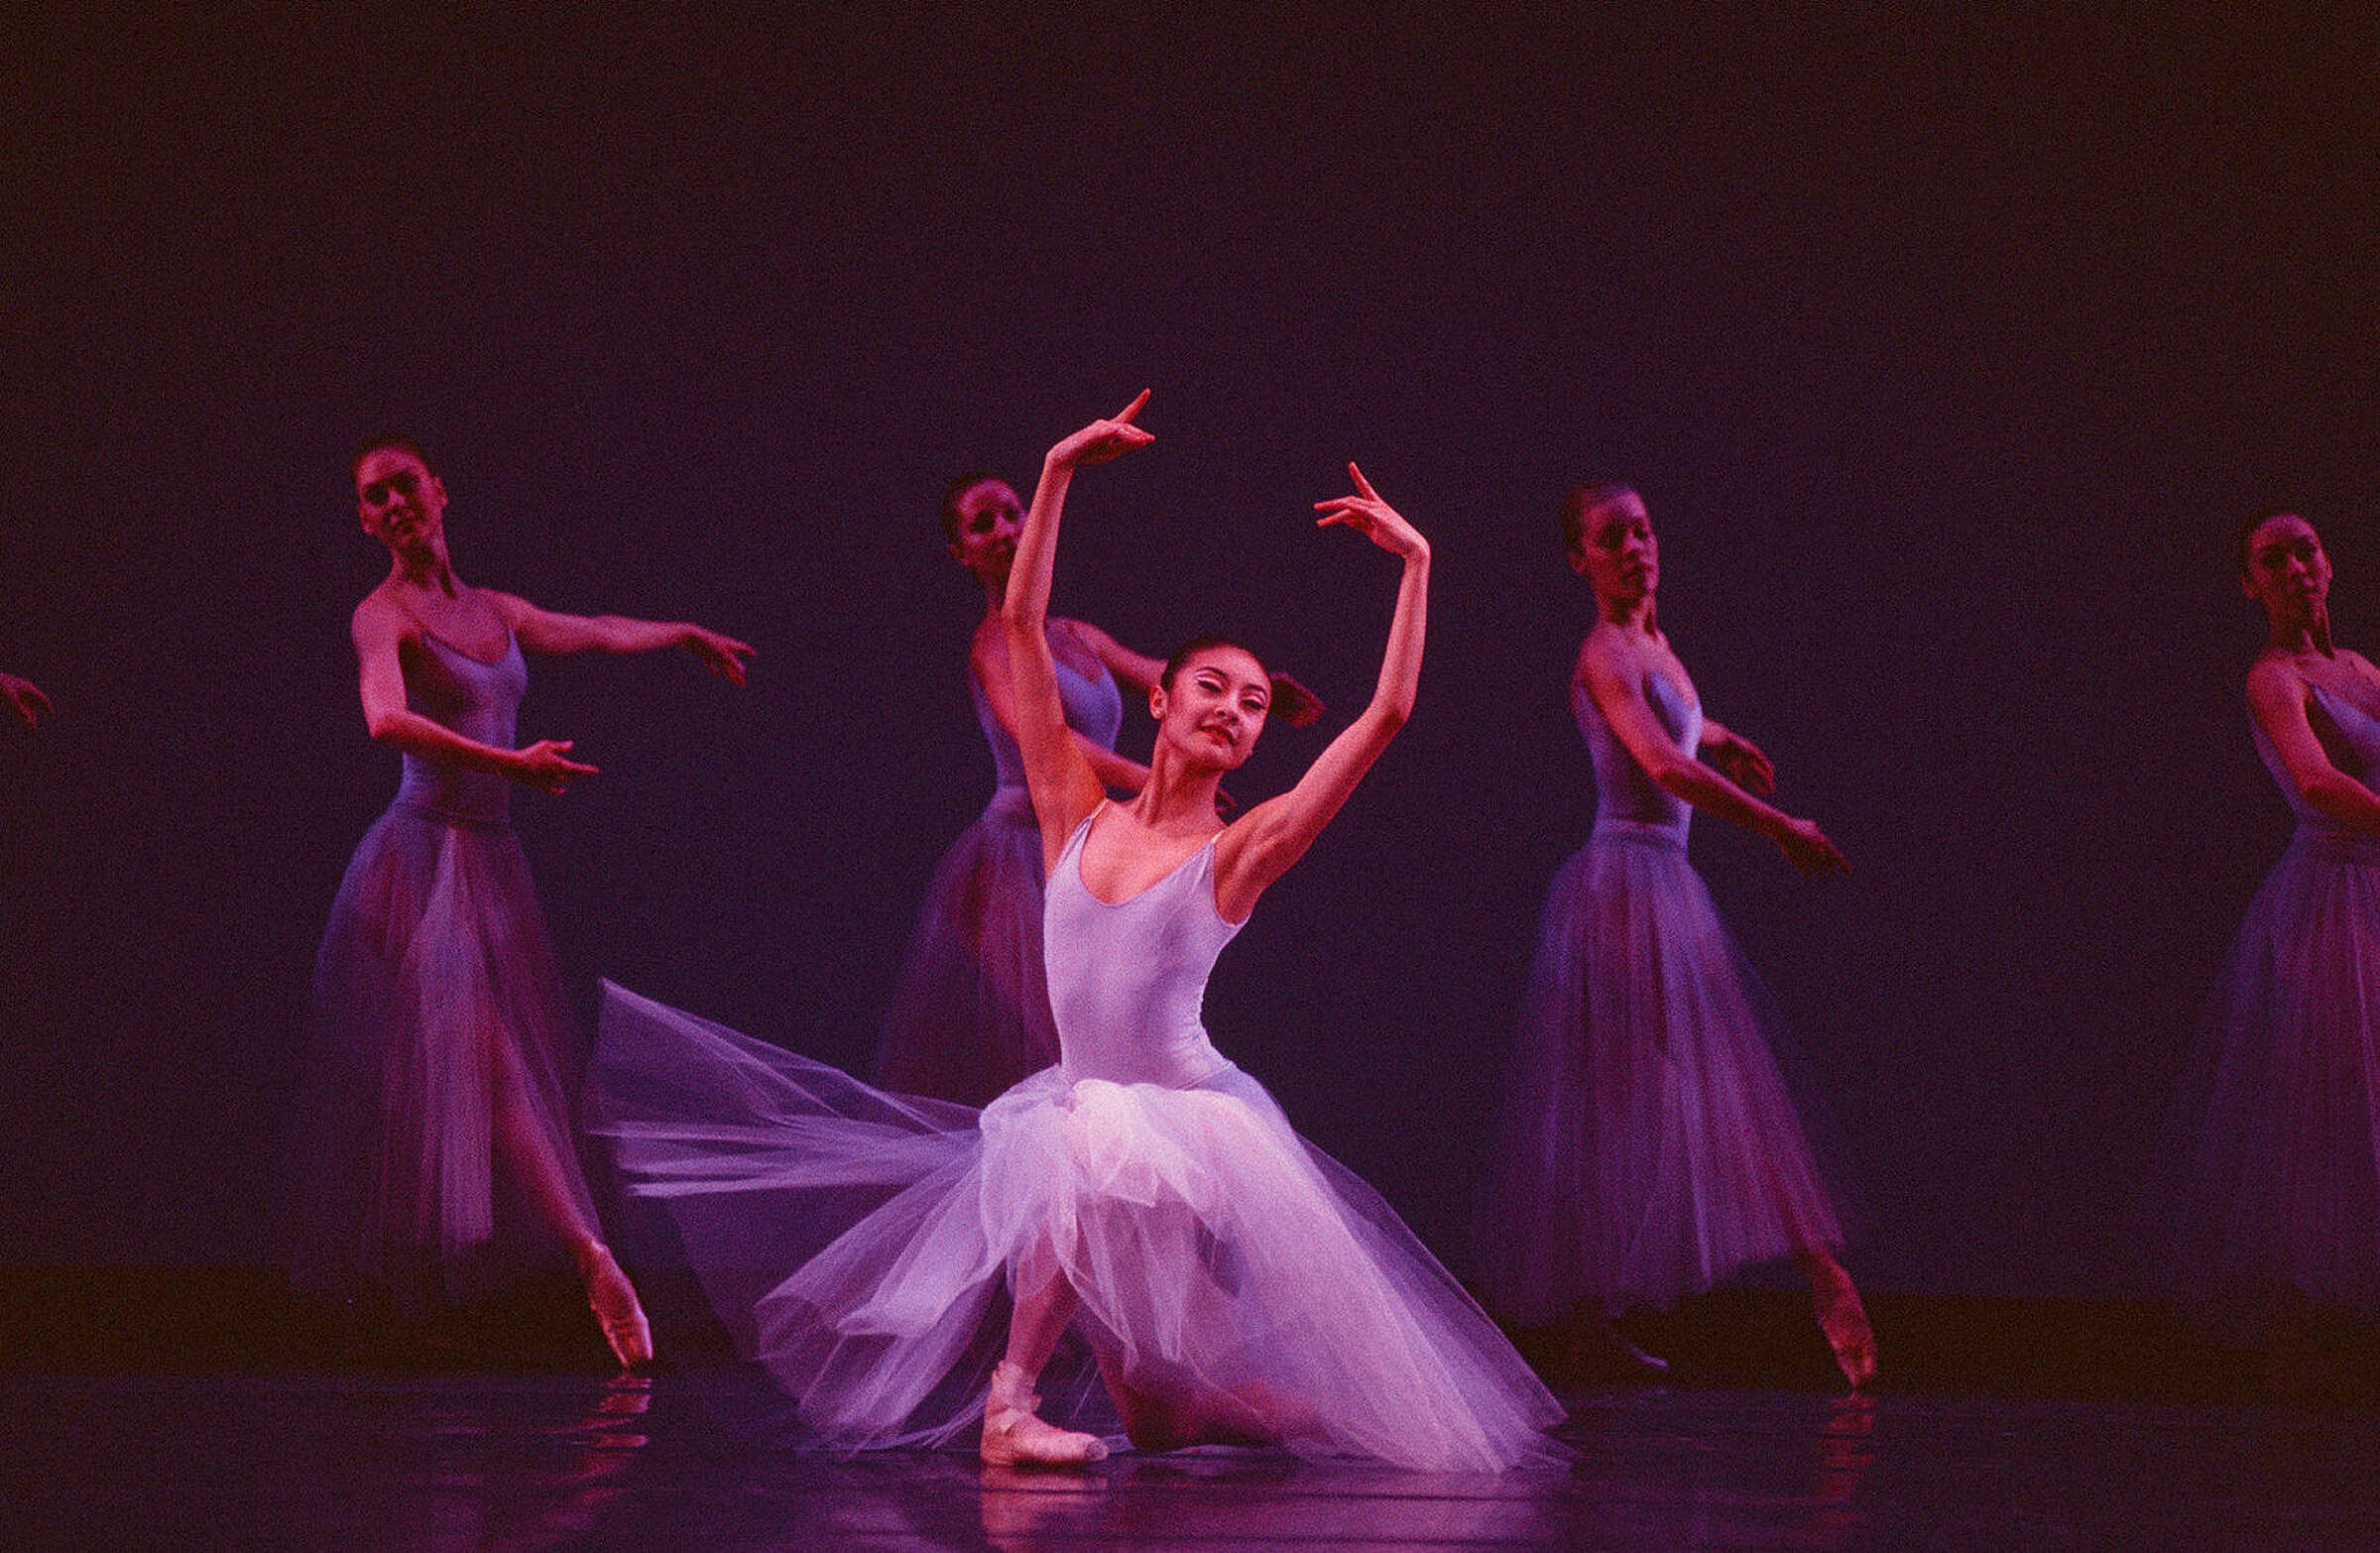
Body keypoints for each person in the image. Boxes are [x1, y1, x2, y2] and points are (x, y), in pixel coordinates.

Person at [594, 394, 1561, 1470]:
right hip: (1092, 1111)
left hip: (1188, 1120)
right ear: (1158, 702)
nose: (1234, 711)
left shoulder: (1240, 852)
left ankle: (1088, 1409)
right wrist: (1055, 470)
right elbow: (1017, 628)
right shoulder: (1069, 805)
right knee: (1129, 1322)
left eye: (1251, 704)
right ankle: (1156, 1410)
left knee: (1099, 1199)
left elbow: (1384, 718)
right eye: (1211, 687)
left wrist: (1417, 565)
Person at [292, 434, 753, 1369]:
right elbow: (385, 717)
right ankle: (590, 1258)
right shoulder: (380, 616)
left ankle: (581, 1258)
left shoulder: (493, 610)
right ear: (364, 520)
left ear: (439, 490)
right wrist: (511, 763)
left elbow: (591, 627)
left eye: (405, 487)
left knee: (497, 1071)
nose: (393, 506)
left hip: (489, 863)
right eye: (374, 499)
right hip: (417, 867)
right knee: (492, 1066)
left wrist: (681, 635)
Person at [1477, 481, 1875, 1388]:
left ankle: (1589, 1327)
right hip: (1626, 884)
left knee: (1631, 1102)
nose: (1633, 549)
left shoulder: (1655, 647)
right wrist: (1782, 828)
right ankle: (1822, 1276)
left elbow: (1671, 730)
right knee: (1698, 1087)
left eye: (1643, 532)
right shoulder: (1602, 653)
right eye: (1610, 539)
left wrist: (1718, 735)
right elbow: (1657, 763)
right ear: (1580, 560)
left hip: (1656, 879)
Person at [872, 474, 1317, 1106]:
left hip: (1096, 846)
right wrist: (1147, 780)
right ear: (961, 552)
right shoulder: (993, 645)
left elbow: (1170, 678)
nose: (1004, 531)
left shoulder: (1078, 635)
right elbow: (1045, 740)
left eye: (1012, 513)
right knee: (1056, 1047)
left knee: (1120, 1027)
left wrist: (1248, 693)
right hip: (1019, 856)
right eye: (982, 524)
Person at [2168, 510, 2380, 1360]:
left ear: (2328, 562)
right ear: (2250, 584)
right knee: (2319, 1120)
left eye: (2306, 551)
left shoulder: (2363, 668)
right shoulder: (2271, 677)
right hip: (2330, 904)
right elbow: (2317, 783)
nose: (2295, 568)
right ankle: (2294, 1340)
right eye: (2273, 560)